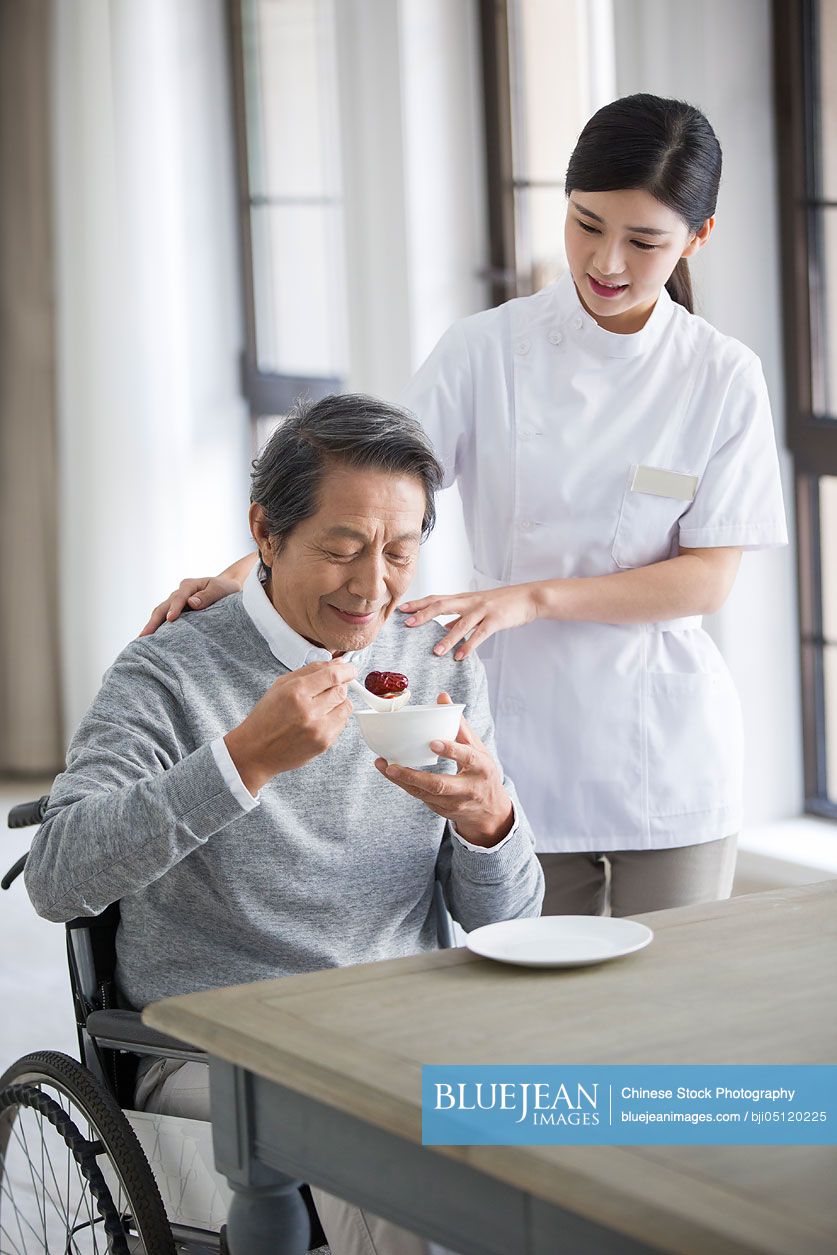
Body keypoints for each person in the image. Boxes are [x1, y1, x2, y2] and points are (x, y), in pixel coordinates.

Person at [142, 94, 787, 919]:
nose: (606, 260)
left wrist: (530, 595)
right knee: (531, 1019)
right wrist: (253, 568)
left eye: (643, 240)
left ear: (697, 237)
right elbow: (369, 480)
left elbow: (705, 580)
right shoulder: (489, 350)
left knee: (669, 1028)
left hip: (667, 754)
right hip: (515, 743)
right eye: (586, 224)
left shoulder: (721, 375)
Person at [26, 394, 543, 1255]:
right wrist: (242, 762)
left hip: (403, 1029)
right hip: (221, 1051)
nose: (372, 584)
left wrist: (492, 824)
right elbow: (56, 874)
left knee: (588, 1145)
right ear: (264, 533)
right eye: (342, 548)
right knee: (398, 1171)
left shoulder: (431, 655)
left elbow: (505, 920)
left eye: (400, 551)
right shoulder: (170, 670)